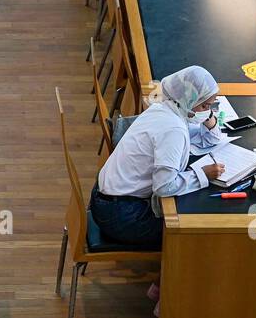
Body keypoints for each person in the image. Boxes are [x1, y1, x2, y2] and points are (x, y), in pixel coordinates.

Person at [91, 66, 226, 249]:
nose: (207, 111)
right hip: (121, 214)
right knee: (193, 236)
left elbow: (211, 139)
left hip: (106, 199)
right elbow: (164, 186)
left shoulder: (165, 109)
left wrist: (207, 114)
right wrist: (202, 175)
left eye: (211, 106)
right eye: (205, 106)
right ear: (189, 100)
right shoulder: (173, 129)